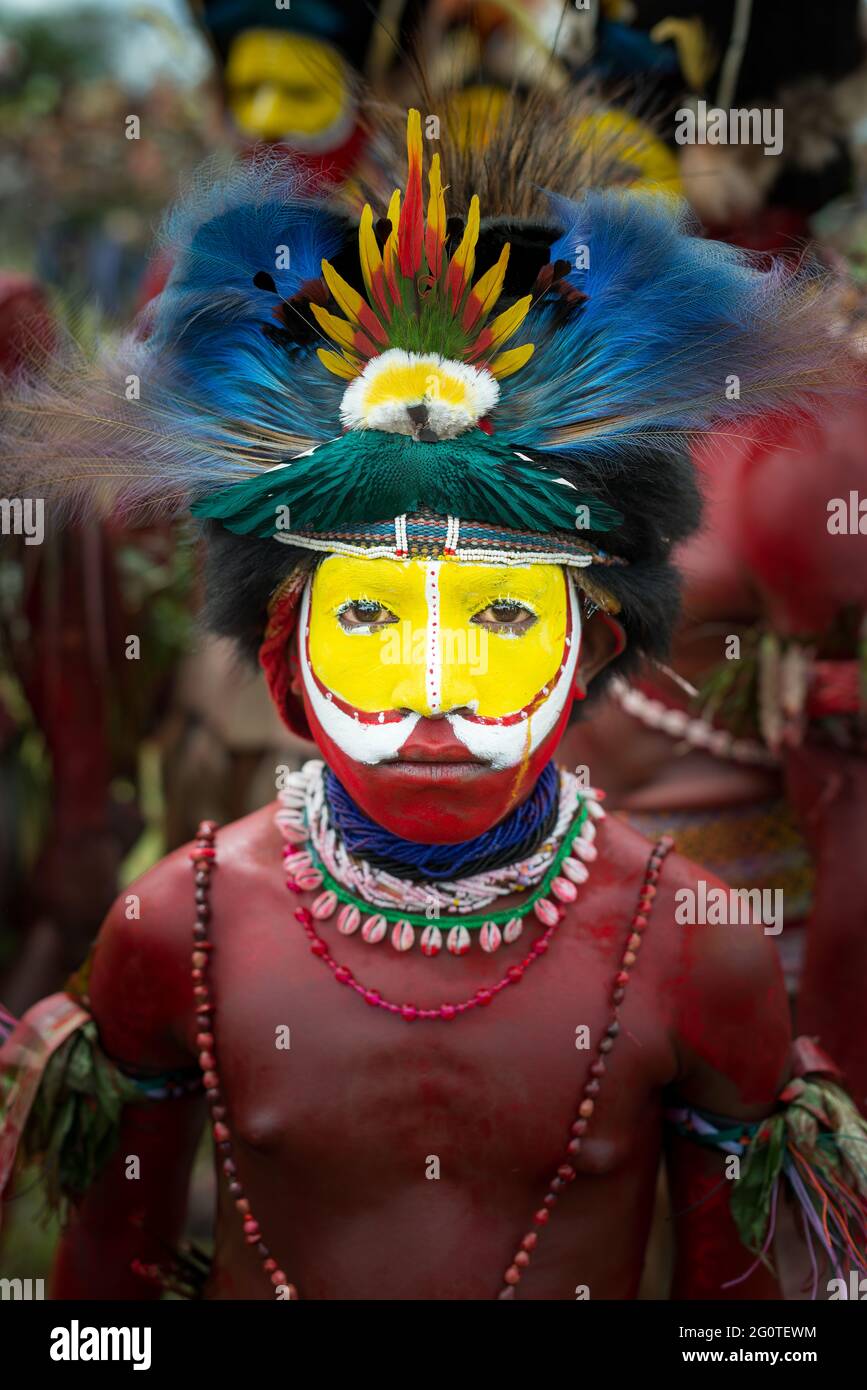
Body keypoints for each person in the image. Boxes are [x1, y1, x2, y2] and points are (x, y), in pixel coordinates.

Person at [1, 98, 865, 1301]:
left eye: (505, 617)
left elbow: (746, 1320)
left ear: (591, 651)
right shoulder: (171, 932)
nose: (435, 686)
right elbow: (103, 1304)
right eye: (367, 618)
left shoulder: (692, 950)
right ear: (283, 665)